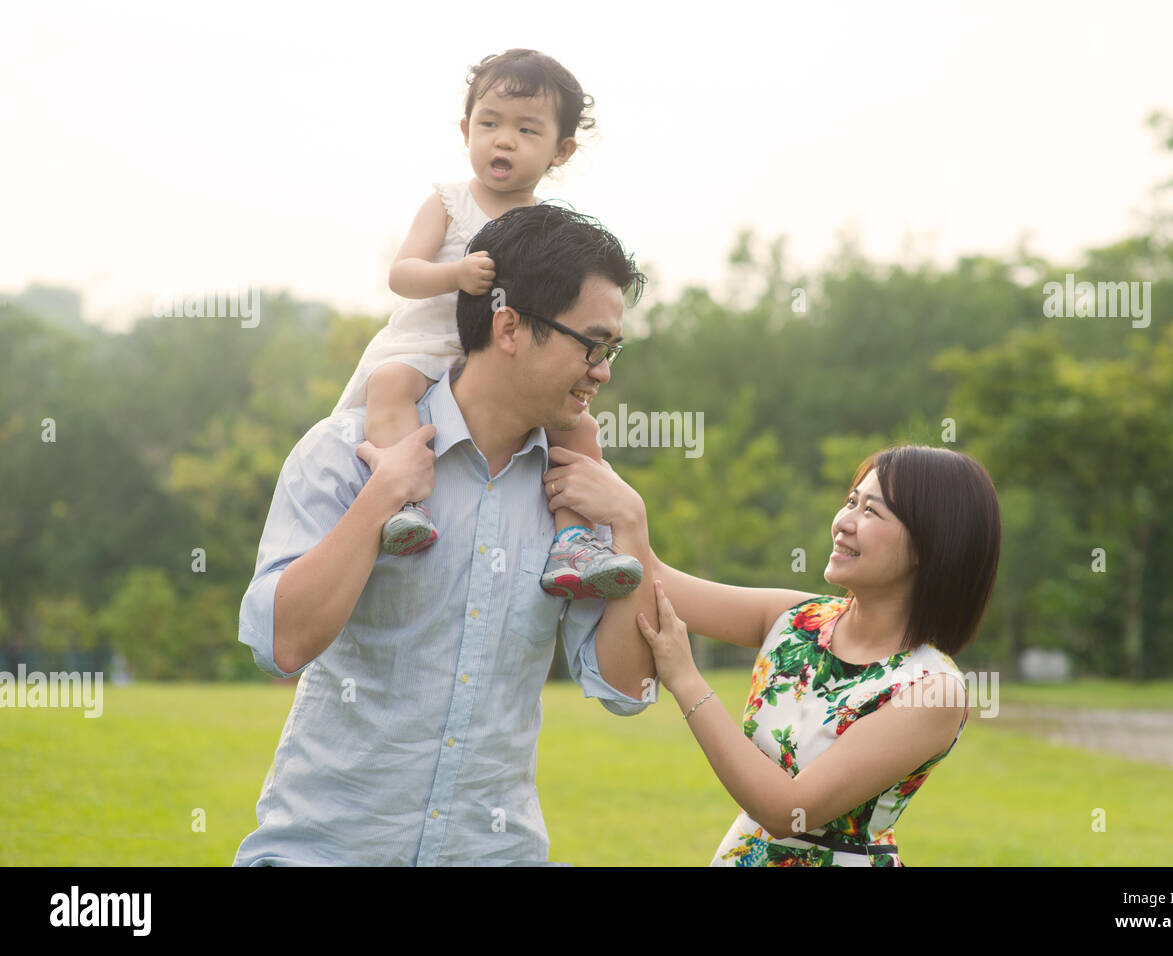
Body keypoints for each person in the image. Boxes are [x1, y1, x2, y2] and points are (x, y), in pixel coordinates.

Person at [232, 204, 660, 866]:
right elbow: (280, 642)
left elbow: (623, 692)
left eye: (613, 350)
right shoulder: (343, 452)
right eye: (592, 344)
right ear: (511, 325)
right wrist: (382, 498)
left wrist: (631, 527)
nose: (603, 370)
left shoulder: (581, 495)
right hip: (325, 852)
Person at [544, 443, 1001, 866]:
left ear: (929, 545)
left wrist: (685, 679)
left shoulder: (931, 690)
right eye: (850, 502)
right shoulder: (796, 618)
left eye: (872, 512)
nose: (843, 522)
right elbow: (655, 579)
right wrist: (608, 489)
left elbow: (789, 811)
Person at [334, 48, 641, 602]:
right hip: (430, 341)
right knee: (389, 385)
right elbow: (402, 274)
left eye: (527, 130)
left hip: (503, 361)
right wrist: (455, 272)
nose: (503, 140)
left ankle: (575, 538)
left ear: (560, 150)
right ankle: (404, 502)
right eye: (490, 123)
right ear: (465, 128)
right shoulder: (449, 203)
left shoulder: (543, 229)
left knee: (581, 430)